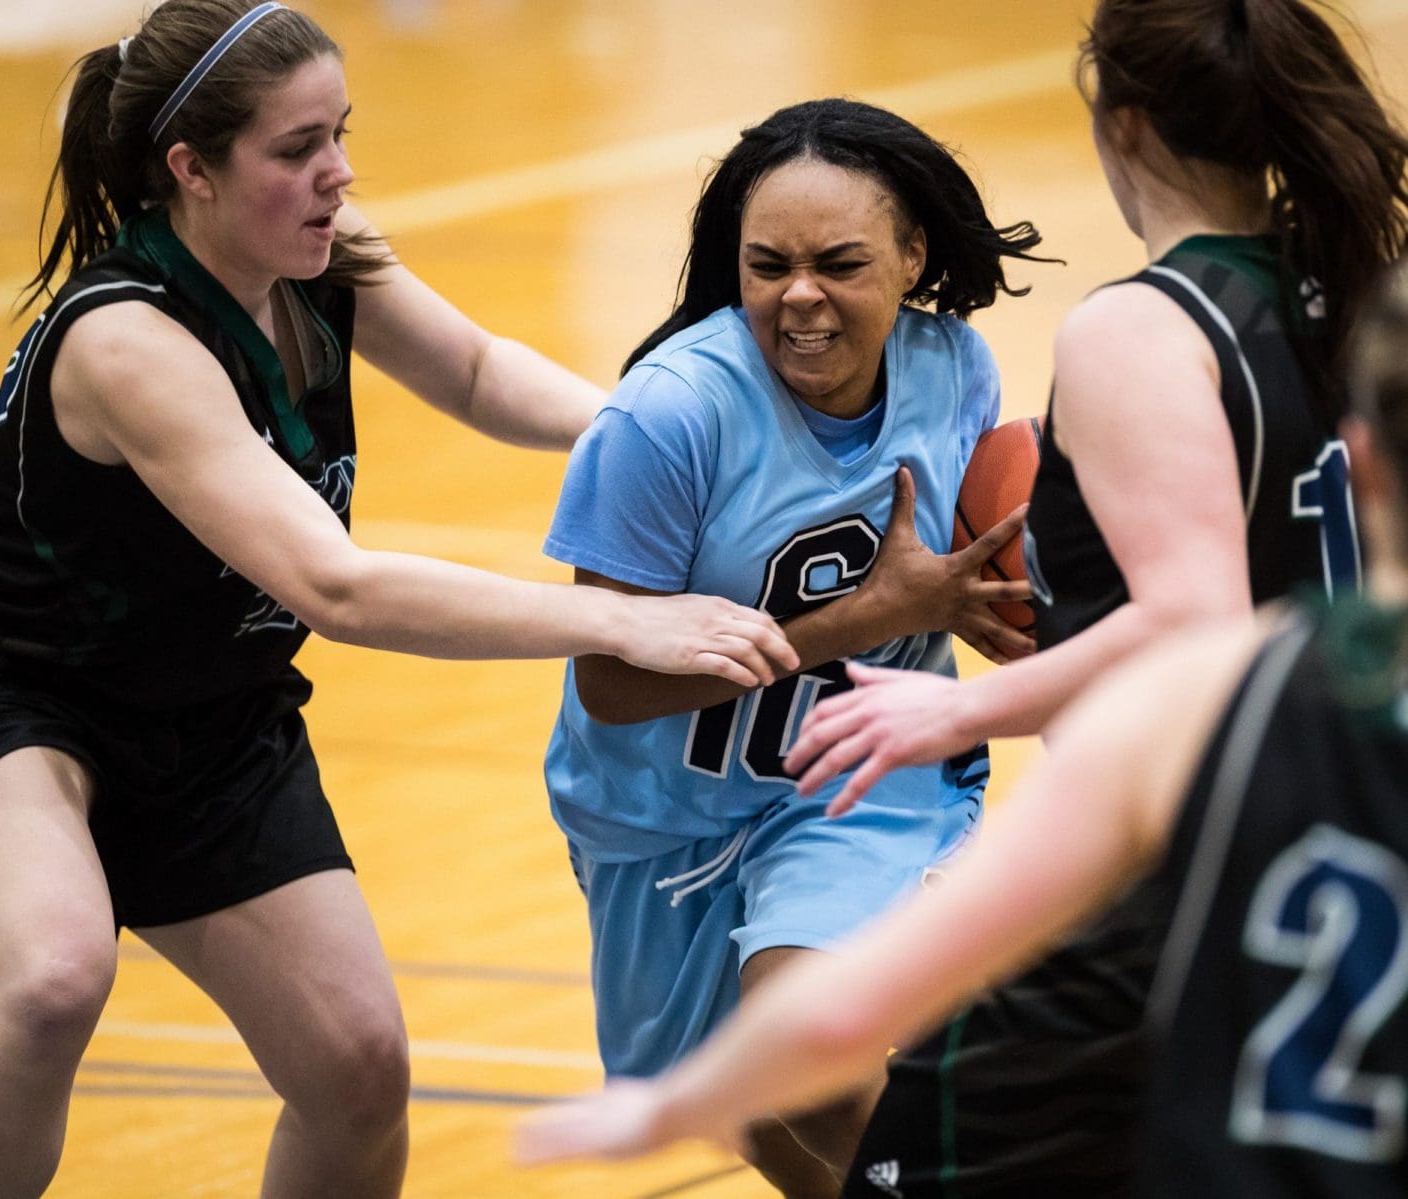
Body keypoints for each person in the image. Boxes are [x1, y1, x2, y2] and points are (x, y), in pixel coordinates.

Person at [0, 3, 802, 1197]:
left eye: (340, 133)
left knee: (358, 1066)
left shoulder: (313, 251)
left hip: (206, 719)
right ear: (193, 170)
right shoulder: (129, 343)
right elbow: (334, 583)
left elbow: (476, 370)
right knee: (55, 969)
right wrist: (619, 616)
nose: (334, 174)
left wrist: (685, 438)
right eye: (295, 149)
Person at [515, 254, 1408, 1199]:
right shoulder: (685, 403)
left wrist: (666, 1110)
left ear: (1359, 460)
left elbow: (839, 1019)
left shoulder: (1209, 697)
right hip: (674, 812)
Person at [766, 1, 1408, 1192]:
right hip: (1330, 847)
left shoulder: (1142, 325)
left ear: (1125, 123)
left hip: (1161, 876)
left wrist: (948, 714)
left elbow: (1195, 621)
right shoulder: (1358, 290)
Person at [539, 97, 1045, 1197]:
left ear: (913, 256)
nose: (798, 296)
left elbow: (962, 585)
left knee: (806, 1047)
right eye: (766, 265)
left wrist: (1014, 620)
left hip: (858, 776)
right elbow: (611, 682)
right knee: (750, 1102)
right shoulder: (667, 417)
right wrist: (868, 616)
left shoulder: (955, 368)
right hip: (652, 812)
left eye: (839, 262)